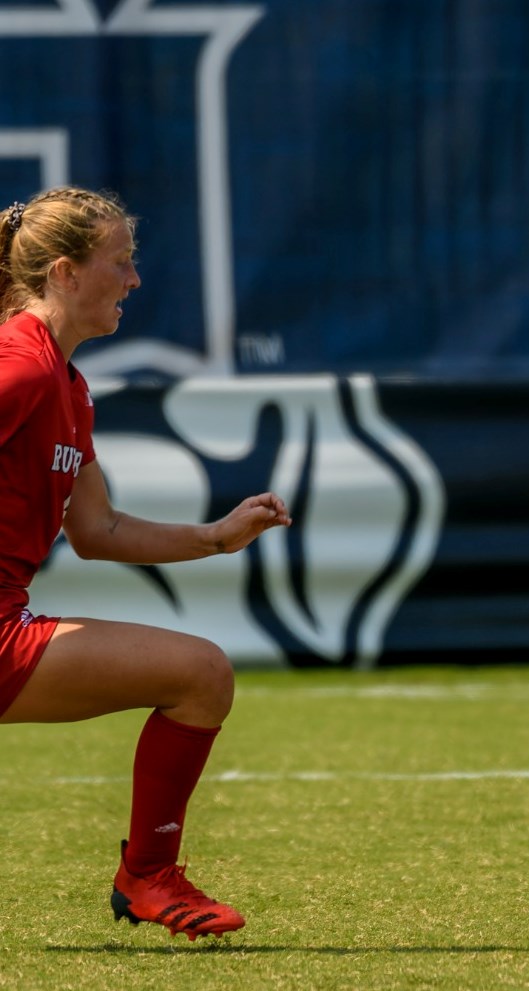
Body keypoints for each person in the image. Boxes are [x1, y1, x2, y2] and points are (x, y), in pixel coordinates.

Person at [0, 187, 292, 935]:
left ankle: (149, 877)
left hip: (8, 628)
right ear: (65, 272)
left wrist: (216, 537)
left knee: (201, 674)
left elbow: (98, 529)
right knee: (202, 674)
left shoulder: (66, 386)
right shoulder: (21, 368)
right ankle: (148, 875)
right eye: (121, 262)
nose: (134, 279)